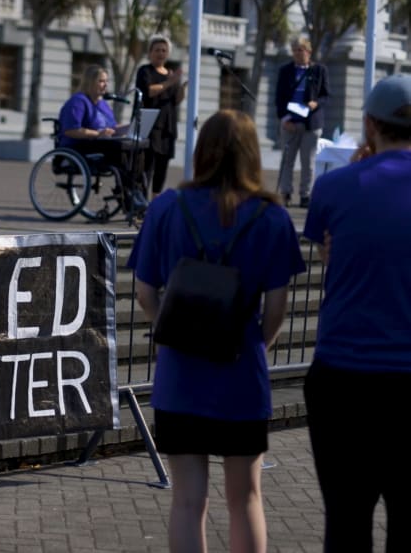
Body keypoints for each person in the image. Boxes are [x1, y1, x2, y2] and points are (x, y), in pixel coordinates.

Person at [128, 110, 305, 553]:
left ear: (201, 151)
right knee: (246, 497)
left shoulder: (167, 207)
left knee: (187, 502)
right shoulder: (271, 217)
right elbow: (279, 306)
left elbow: (145, 293)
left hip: (181, 376)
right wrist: (253, 344)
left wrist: (178, 329)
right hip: (242, 375)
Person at [302, 73, 411, 552]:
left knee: (346, 522)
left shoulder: (334, 187)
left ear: (369, 125)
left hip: (343, 377)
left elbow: (333, 246)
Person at [57, 64, 147, 209]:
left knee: (136, 148)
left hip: (102, 144)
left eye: (106, 81)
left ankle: (136, 191)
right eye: (101, 81)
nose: (105, 85)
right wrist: (98, 134)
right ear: (89, 82)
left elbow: (112, 130)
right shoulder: (78, 102)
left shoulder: (103, 104)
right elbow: (70, 130)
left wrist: (131, 126)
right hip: (80, 146)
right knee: (120, 149)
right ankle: (126, 195)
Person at [274, 37, 329, 208]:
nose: (298, 53)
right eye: (295, 50)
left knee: (308, 161)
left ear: (309, 51)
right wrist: (284, 119)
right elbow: (279, 97)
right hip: (290, 122)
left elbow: (326, 95)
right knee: (287, 160)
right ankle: (286, 193)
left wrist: (316, 103)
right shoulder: (285, 71)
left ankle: (305, 195)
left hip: (311, 124)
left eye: (301, 49)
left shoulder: (319, 70)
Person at [136, 35, 186, 199]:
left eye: (164, 50)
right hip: (150, 126)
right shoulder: (145, 71)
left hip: (167, 127)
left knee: (162, 169)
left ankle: (155, 202)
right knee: (147, 167)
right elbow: (150, 91)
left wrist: (182, 87)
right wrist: (170, 82)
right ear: (150, 52)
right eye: (157, 50)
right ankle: (141, 203)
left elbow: (176, 100)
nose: (160, 53)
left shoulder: (170, 75)